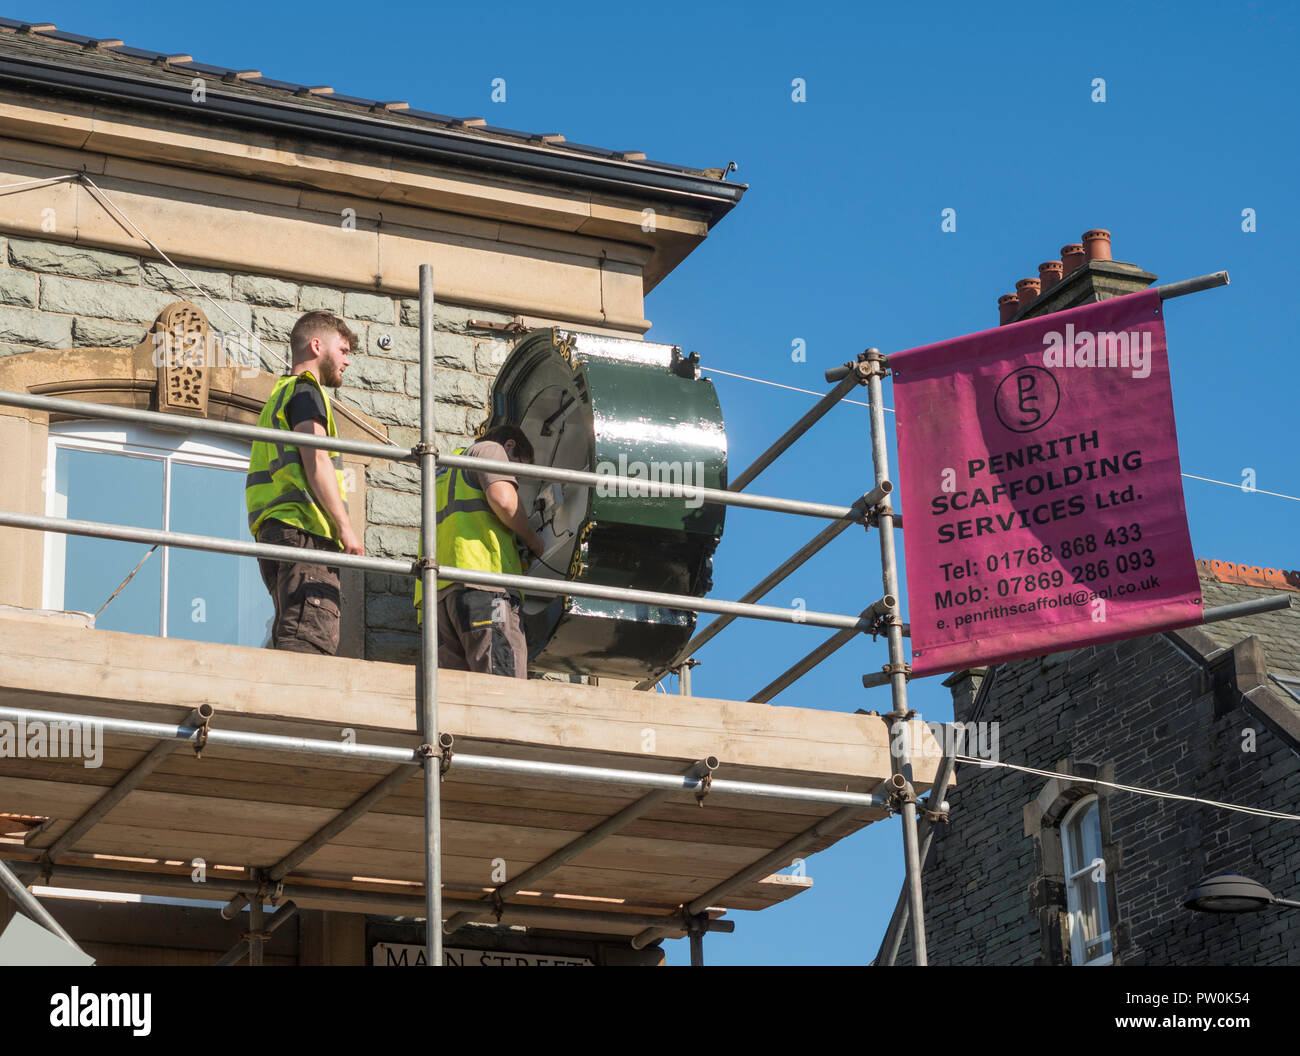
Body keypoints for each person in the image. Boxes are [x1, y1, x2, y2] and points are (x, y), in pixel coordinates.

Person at [246, 311, 363, 654]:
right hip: (305, 530)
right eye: (342, 350)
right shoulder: (306, 393)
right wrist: (345, 527)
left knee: (293, 627)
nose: (347, 362)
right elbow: (316, 459)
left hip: (278, 533)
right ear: (317, 345)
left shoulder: (278, 397)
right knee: (309, 638)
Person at [415, 425, 545, 678]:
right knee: (500, 679)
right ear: (509, 446)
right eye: (518, 468)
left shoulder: (446, 466)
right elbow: (505, 502)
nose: (515, 480)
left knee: (456, 691)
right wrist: (533, 540)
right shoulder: (490, 450)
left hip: (437, 594)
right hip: (482, 584)